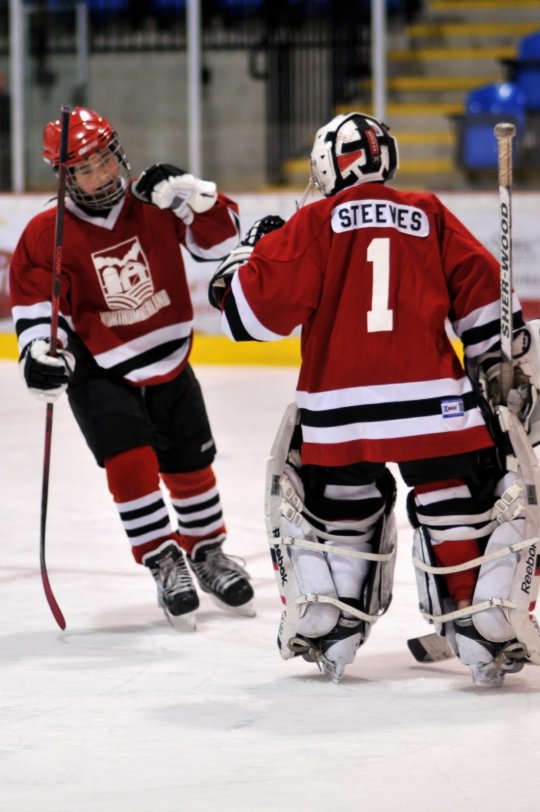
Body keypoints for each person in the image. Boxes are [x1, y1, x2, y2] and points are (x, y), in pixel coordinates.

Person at [208, 111, 540, 684]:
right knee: (457, 500)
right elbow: (487, 303)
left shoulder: (315, 221)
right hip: (434, 403)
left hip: (338, 411)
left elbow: (248, 319)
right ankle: (482, 625)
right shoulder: (428, 211)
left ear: (325, 166)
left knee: (342, 508)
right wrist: (498, 359)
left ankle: (329, 621)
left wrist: (245, 257)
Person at [9, 106, 254, 627]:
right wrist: (37, 352)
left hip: (169, 356)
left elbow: (225, 241)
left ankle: (206, 551)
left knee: (191, 463)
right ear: (64, 176)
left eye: (102, 160)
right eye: (83, 168)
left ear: (116, 153)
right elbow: (35, 307)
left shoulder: (157, 199)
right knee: (130, 463)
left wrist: (194, 195)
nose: (99, 175)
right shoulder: (46, 233)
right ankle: (163, 557)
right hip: (99, 365)